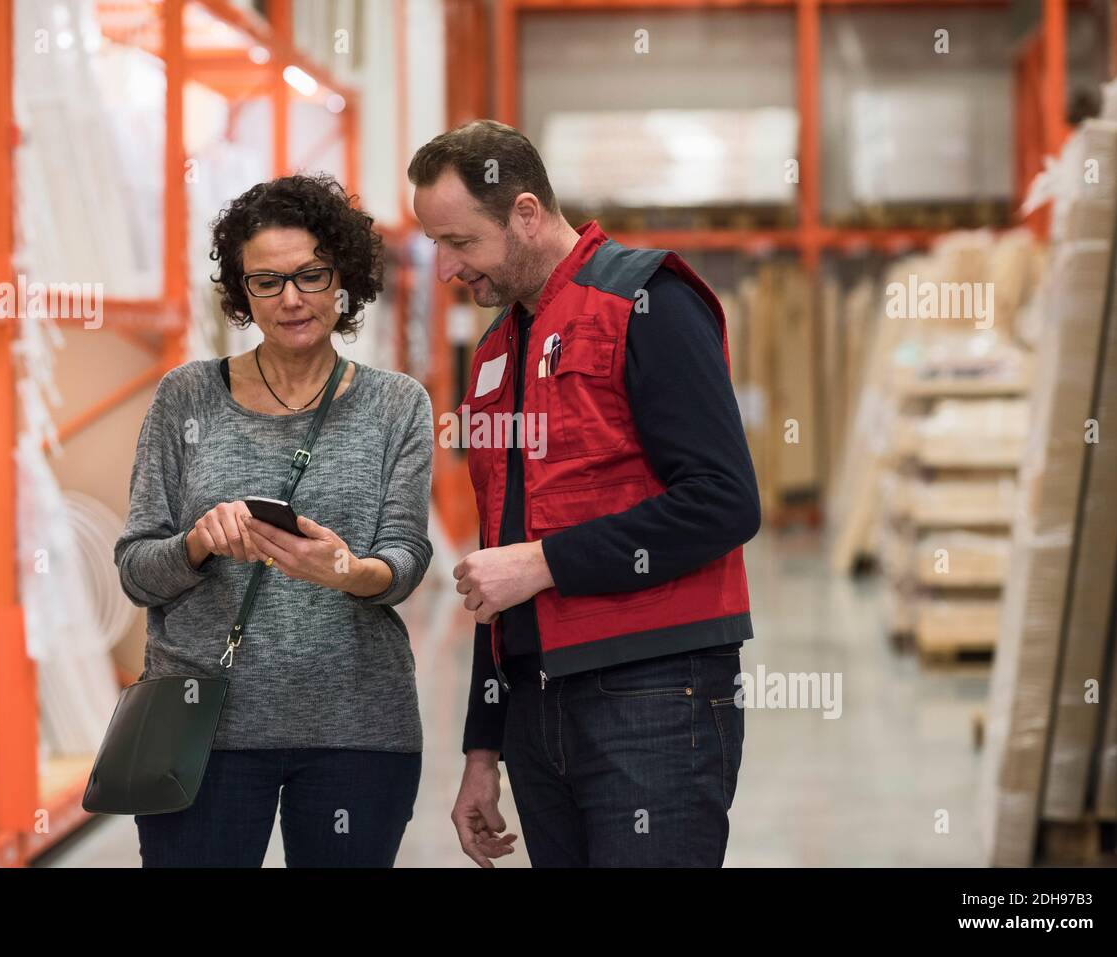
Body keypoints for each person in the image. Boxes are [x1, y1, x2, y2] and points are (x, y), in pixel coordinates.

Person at [409, 120, 760, 868]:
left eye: (460, 242)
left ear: (526, 214)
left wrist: (547, 563)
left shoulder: (646, 302)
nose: (445, 268)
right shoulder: (499, 351)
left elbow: (725, 500)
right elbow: (498, 564)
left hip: (656, 697)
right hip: (538, 708)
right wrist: (483, 744)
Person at [114, 173, 434, 867]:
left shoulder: (396, 405)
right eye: (266, 281)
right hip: (203, 727)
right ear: (240, 291)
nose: (291, 298)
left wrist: (345, 570)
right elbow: (137, 568)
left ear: (343, 277)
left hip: (355, 729)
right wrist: (197, 543)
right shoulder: (185, 397)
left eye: (311, 275)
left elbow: (406, 558)